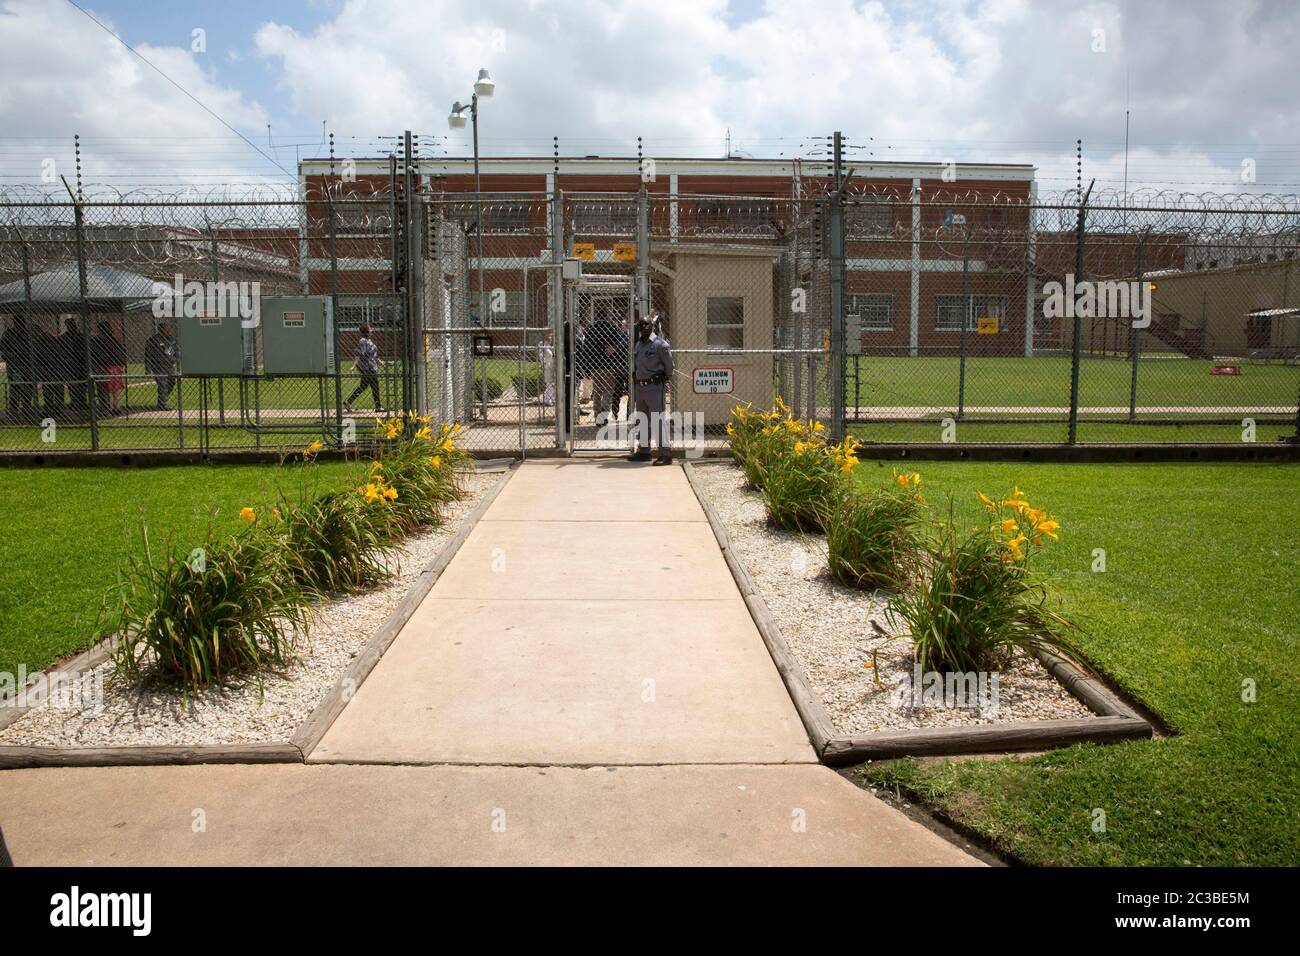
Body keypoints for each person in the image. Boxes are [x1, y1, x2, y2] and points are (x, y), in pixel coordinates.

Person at [627, 313, 674, 465]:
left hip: (655, 387)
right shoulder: (639, 344)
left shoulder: (660, 344)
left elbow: (670, 367)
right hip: (640, 386)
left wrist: (662, 378)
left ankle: (665, 454)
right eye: (641, 325)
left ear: (652, 326)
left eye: (646, 324)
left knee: (657, 420)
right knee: (642, 419)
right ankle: (644, 451)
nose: (643, 327)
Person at [582, 307, 628, 426]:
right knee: (608, 391)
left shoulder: (590, 330)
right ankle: (604, 413)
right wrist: (619, 364)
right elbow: (619, 348)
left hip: (595, 366)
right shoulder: (612, 329)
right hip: (609, 365)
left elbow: (585, 349)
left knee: (597, 391)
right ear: (607, 316)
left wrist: (587, 368)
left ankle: (597, 415)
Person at [0, 316, 33, 419]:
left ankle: (22, 409)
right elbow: (2, 347)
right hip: (17, 365)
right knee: (18, 387)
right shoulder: (11, 334)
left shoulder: (25, 333)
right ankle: (19, 409)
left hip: (23, 364)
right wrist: (10, 356)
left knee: (22, 386)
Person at [344, 323, 382, 412]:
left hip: (372, 367)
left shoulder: (369, 342)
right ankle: (378, 407)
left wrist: (383, 363)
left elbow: (375, 357)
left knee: (363, 386)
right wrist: (353, 366)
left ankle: (348, 402)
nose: (372, 329)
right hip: (367, 368)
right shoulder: (363, 341)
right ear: (366, 331)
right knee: (375, 386)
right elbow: (359, 354)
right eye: (370, 328)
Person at [91, 320, 126, 416]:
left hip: (103, 367)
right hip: (115, 367)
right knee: (115, 389)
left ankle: (107, 409)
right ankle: (116, 407)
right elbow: (121, 354)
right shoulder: (114, 340)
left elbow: (94, 355)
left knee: (105, 390)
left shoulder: (96, 341)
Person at [144, 322, 177, 410]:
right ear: (160, 329)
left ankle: (163, 400)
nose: (169, 330)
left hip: (170, 366)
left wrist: (175, 361)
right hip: (158, 366)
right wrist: (148, 369)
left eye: (169, 328)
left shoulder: (171, 339)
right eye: (166, 329)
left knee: (172, 382)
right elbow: (148, 355)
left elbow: (176, 352)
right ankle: (162, 405)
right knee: (163, 384)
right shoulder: (153, 340)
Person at [60, 317, 89, 419]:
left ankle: (79, 402)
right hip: (76, 364)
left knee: (77, 384)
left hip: (75, 364)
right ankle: (79, 402)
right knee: (77, 384)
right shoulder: (79, 336)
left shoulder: (66, 337)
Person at [33, 322, 63, 419]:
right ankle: (56, 409)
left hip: (49, 368)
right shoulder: (50, 339)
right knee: (55, 389)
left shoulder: (40, 342)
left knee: (50, 390)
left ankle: (52, 409)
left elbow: (38, 357)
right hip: (54, 368)